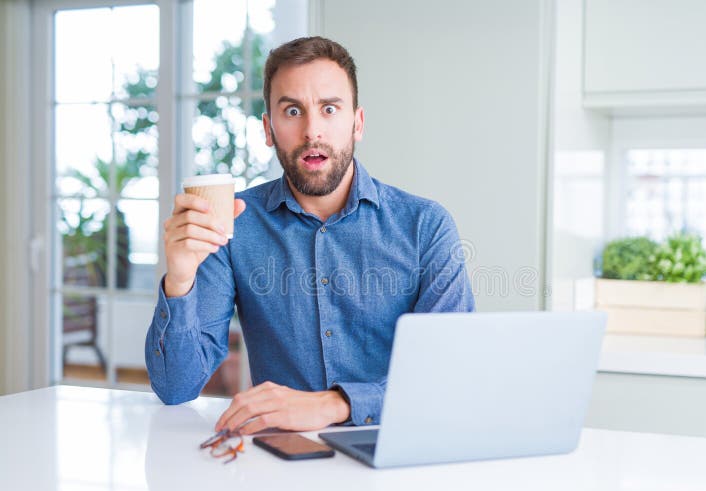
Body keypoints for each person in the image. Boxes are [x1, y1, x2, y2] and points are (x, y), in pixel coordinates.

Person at [144, 36, 474, 434]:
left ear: (357, 123)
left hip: (398, 451)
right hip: (280, 464)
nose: (312, 130)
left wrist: (333, 405)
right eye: (292, 110)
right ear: (268, 128)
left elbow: (449, 375)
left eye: (329, 109)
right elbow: (175, 387)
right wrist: (179, 280)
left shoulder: (426, 226)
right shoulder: (234, 225)